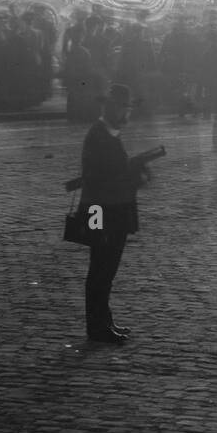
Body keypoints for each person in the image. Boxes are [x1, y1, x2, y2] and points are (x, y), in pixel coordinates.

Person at [78, 83, 149, 344]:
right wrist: (134, 177)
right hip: (105, 213)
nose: (127, 113)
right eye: (125, 108)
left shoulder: (106, 133)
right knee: (102, 271)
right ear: (115, 109)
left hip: (109, 212)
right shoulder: (101, 136)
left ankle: (103, 321)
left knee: (104, 271)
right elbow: (104, 176)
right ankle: (97, 327)